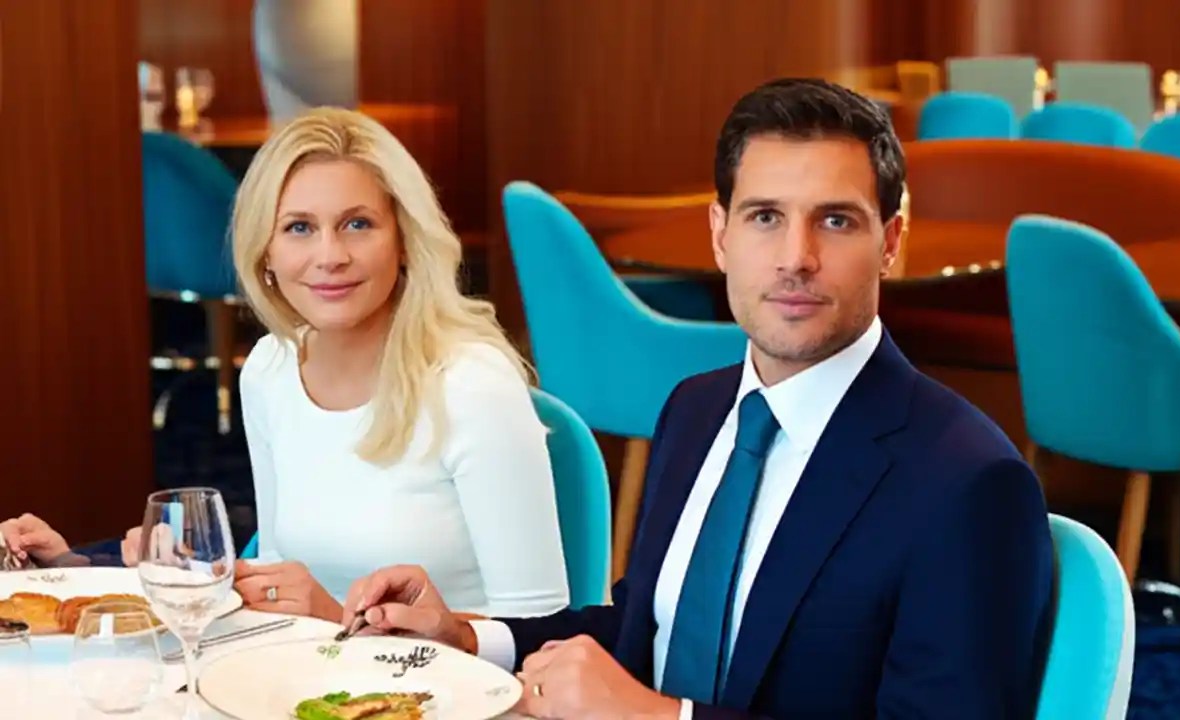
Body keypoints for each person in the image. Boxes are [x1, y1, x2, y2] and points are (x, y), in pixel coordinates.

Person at [342, 79, 1055, 719]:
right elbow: (645, 631)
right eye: (764, 217)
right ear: (721, 235)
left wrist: (659, 719)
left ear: (891, 241)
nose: (795, 257)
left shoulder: (967, 483)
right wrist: (467, 635)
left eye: (835, 220)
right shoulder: (697, 410)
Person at [3, 108, 572, 627]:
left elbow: (541, 635)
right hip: (311, 683)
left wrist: (336, 618)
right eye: (299, 227)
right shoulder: (271, 370)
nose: (330, 256)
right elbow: (276, 572)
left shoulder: (472, 385)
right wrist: (92, 568)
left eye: (357, 224)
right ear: (266, 253)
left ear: (404, 241)